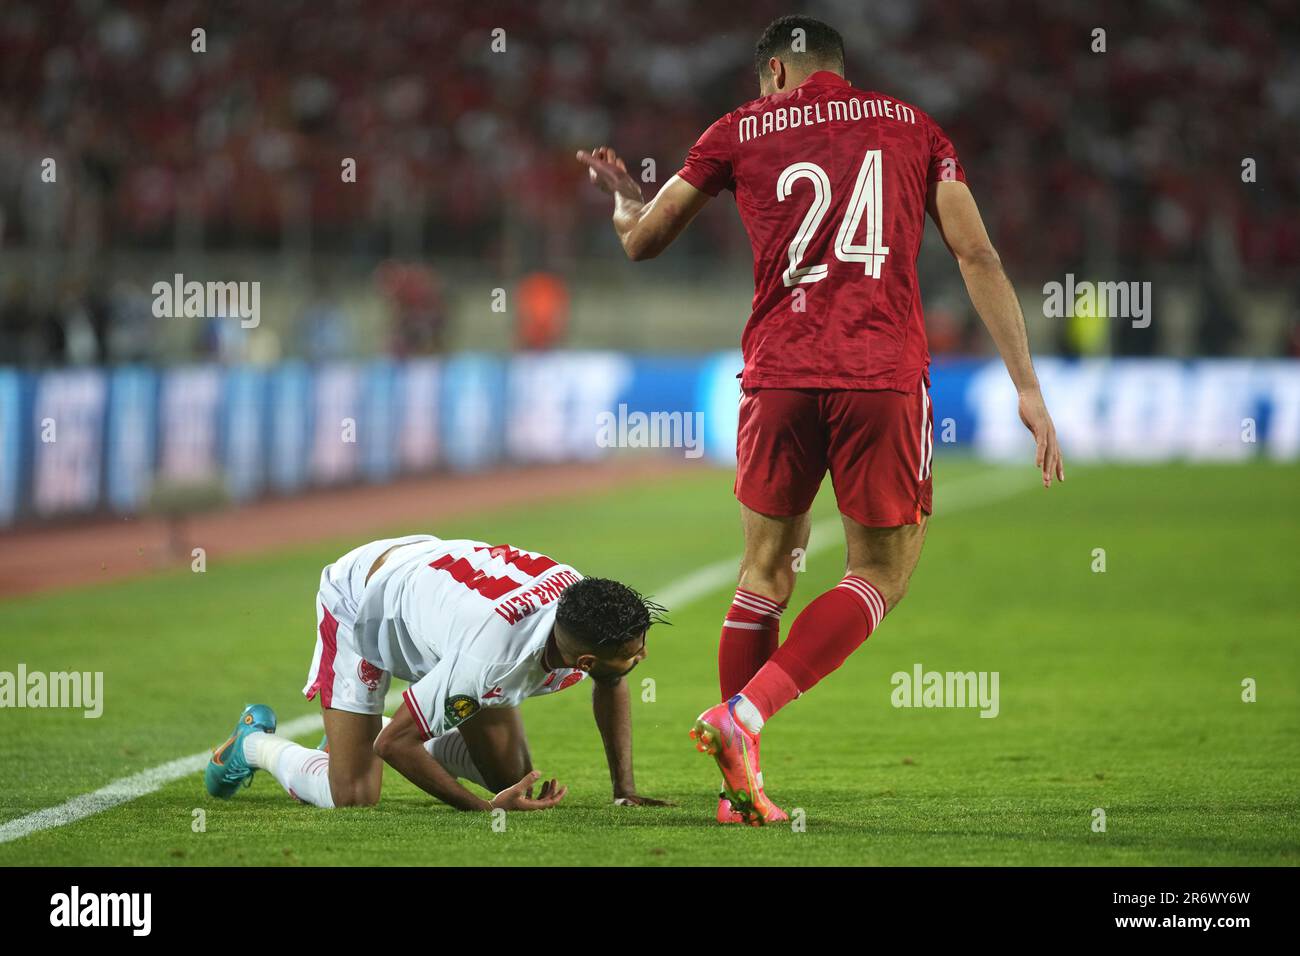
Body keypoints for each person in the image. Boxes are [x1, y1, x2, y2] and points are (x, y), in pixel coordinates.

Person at [578, 15, 1064, 825]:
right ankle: (745, 717)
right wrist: (1027, 386)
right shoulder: (913, 126)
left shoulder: (736, 129)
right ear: (838, 68)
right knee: (879, 572)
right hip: (878, 373)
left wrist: (627, 201)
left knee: (764, 573)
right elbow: (977, 255)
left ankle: (740, 784)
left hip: (779, 374)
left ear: (772, 74)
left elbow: (644, 241)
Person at [205, 535, 670, 813]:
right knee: (352, 794)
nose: (642, 656)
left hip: (434, 590)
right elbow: (394, 747)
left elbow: (611, 680)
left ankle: (354, 734)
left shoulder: (581, 604)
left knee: (511, 775)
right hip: (365, 602)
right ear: (584, 662)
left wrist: (623, 790)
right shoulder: (491, 662)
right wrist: (484, 809)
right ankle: (252, 744)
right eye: (634, 651)